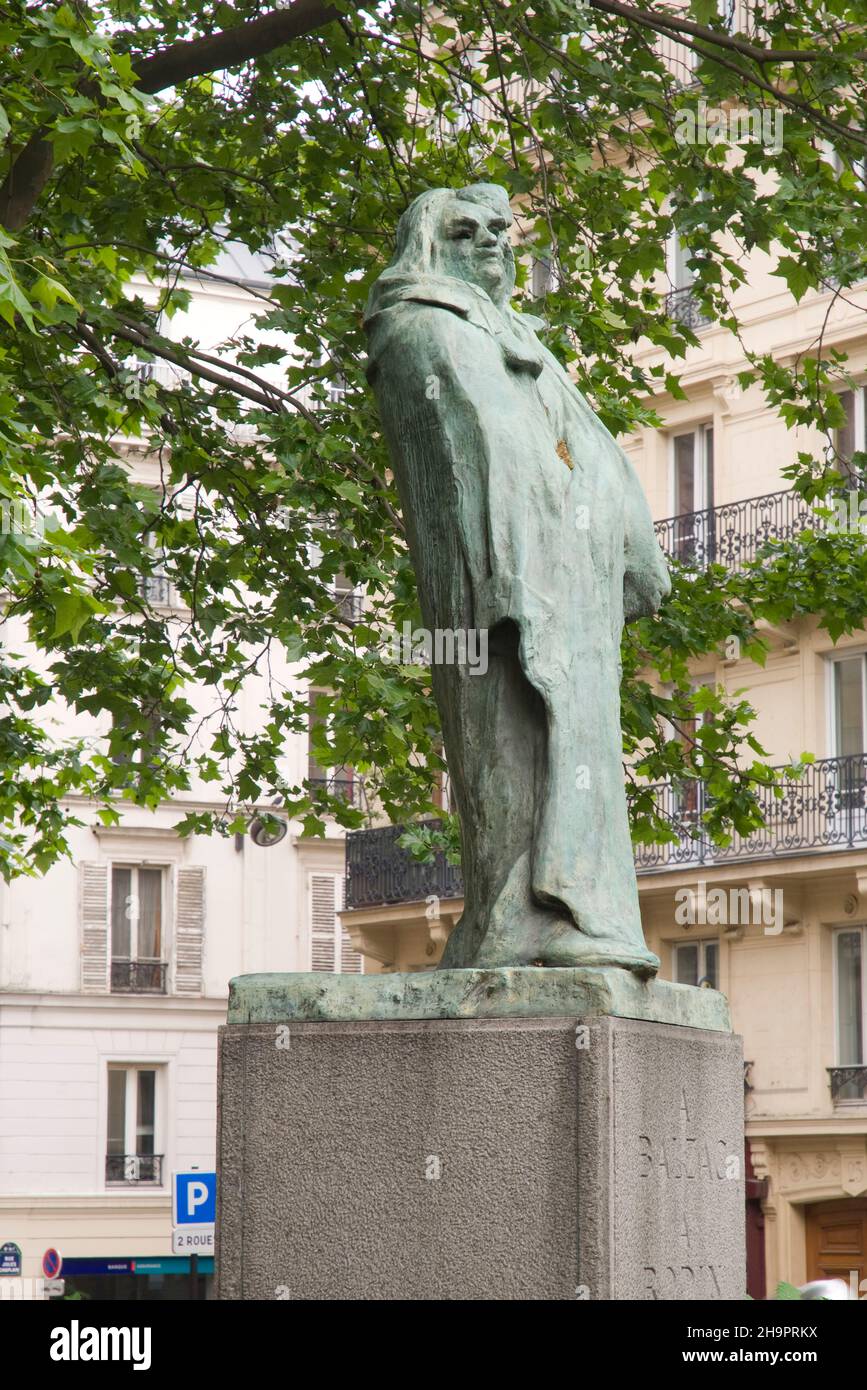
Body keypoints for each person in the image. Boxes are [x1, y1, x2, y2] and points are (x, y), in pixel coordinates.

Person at [364, 183, 670, 973]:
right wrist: (520, 578)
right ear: (432, 248)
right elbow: (478, 448)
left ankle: (577, 916)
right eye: (467, 231)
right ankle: (525, 922)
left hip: (567, 586)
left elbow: (584, 453)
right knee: (507, 744)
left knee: (572, 747)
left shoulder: (517, 335)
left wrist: (619, 544)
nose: (492, 240)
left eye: (501, 228)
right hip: (494, 594)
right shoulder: (420, 325)